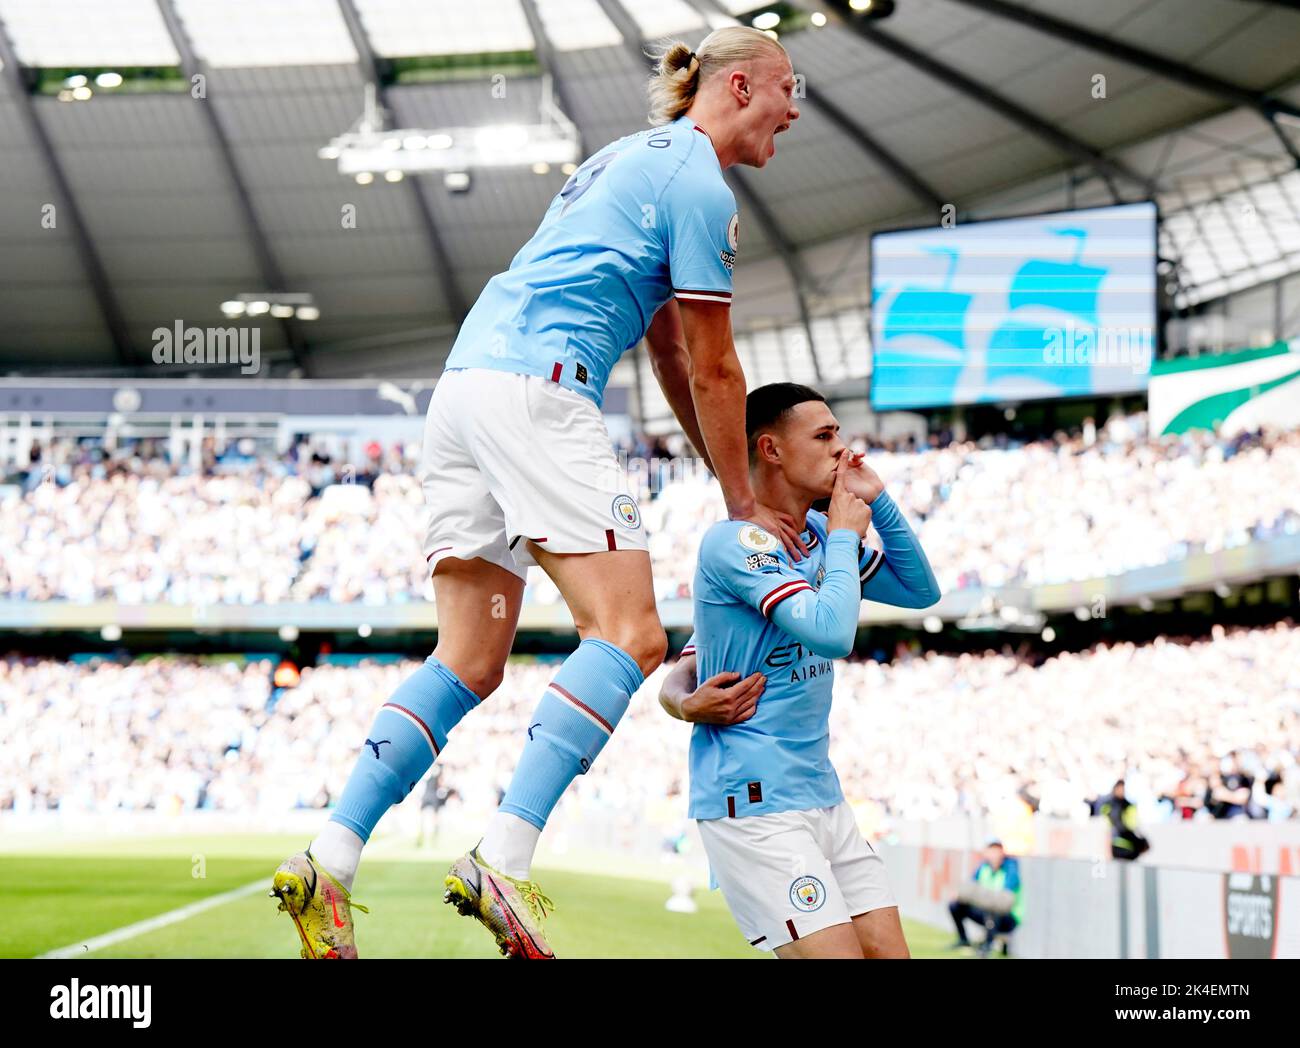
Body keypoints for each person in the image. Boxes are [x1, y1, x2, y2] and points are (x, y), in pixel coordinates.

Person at [270, 26, 803, 959]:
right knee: (631, 635)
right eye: (789, 90)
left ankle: (329, 858)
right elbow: (719, 368)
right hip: (541, 392)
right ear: (745, 84)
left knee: (468, 660)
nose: (794, 113)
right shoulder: (702, 185)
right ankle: (504, 854)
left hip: (466, 391)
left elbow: (674, 352)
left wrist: (719, 469)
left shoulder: (627, 162)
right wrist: (743, 505)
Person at [658, 383, 941, 958]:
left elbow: (920, 590)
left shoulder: (814, 540)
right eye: (825, 435)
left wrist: (876, 501)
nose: (843, 448)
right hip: (755, 801)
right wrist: (843, 534)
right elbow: (833, 634)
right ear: (771, 450)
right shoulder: (735, 543)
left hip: (822, 794)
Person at [948, 840, 1023, 956]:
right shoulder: (983, 868)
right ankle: (964, 940)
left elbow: (1004, 903)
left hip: (1009, 917)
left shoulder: (1011, 871)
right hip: (987, 911)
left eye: (996, 851)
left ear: (1002, 853)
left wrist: (975, 896)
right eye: (991, 851)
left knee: (994, 912)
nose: (993, 854)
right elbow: (970, 887)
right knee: (955, 905)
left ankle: (987, 947)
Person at [1100, 779, 1149, 861]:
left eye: (1123, 789)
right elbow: (1109, 826)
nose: (1121, 791)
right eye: (1119, 788)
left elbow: (1133, 825)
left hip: (1127, 841)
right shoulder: (1108, 806)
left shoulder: (1129, 805)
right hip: (1116, 842)